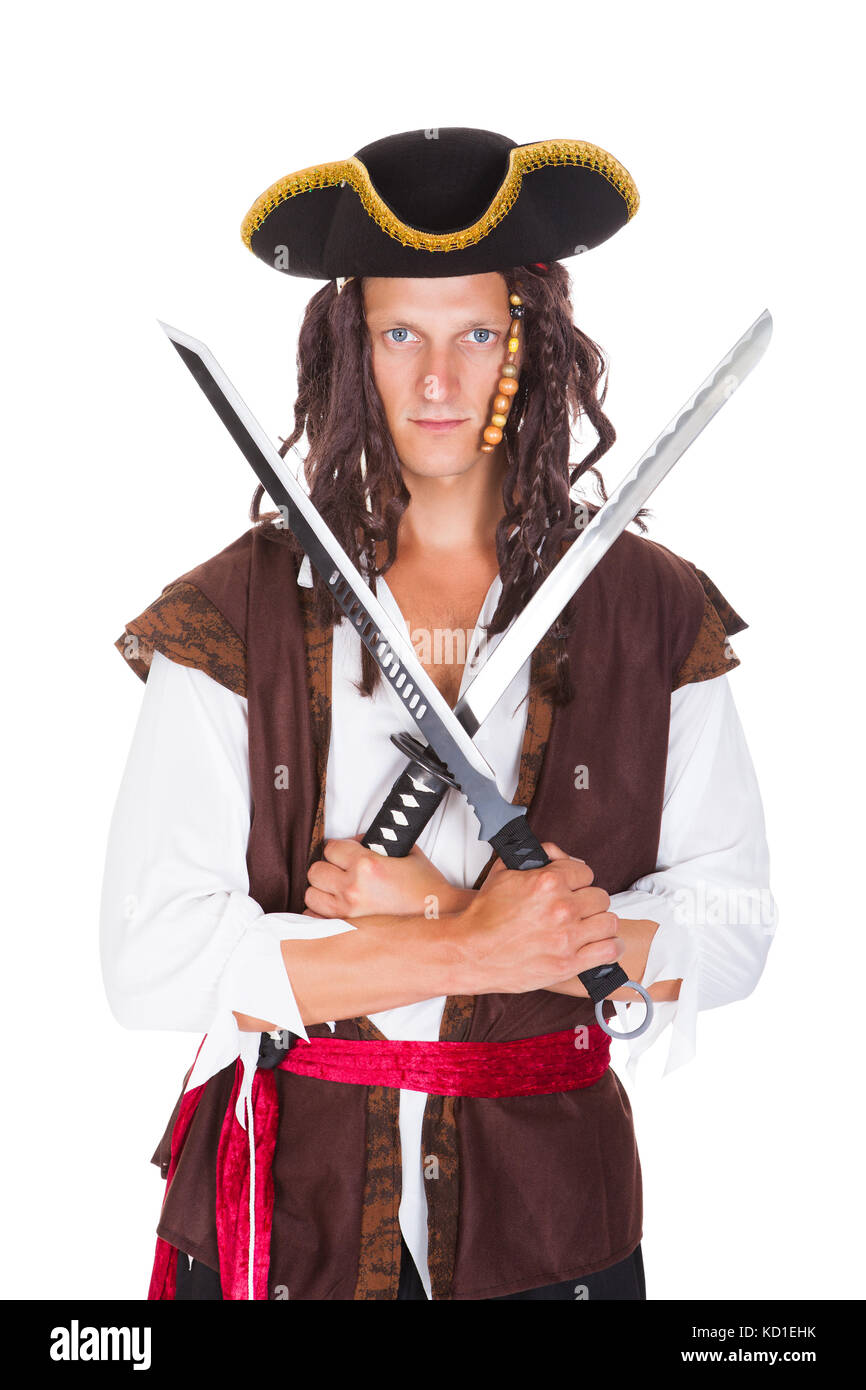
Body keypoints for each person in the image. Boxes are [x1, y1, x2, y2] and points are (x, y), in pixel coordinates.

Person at [100, 127, 776, 1301]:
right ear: (351, 351)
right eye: (399, 332)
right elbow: (150, 961)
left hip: (551, 1221)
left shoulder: (652, 613)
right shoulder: (233, 612)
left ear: (531, 344)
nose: (435, 381)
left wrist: (447, 904)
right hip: (285, 1218)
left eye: (476, 333)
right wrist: (467, 943)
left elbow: (729, 926)